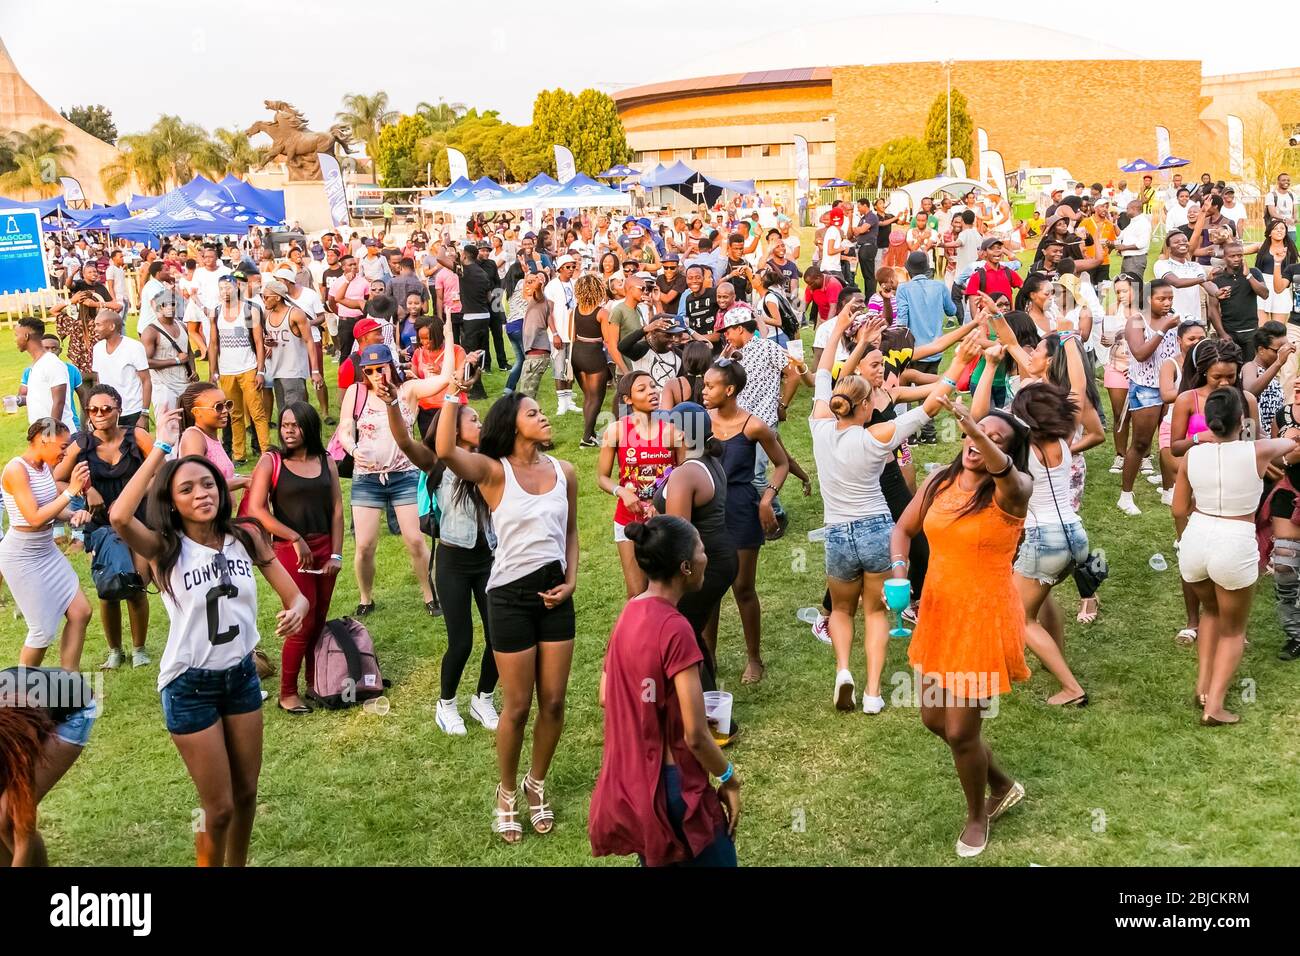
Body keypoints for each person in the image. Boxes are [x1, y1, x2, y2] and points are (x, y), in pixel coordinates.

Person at [108, 408, 308, 866]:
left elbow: (296, 598)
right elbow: (120, 516)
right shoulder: (166, 549)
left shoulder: (246, 537)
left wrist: (295, 611)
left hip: (240, 678)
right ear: (171, 501)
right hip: (189, 686)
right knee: (216, 810)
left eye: (208, 484)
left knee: (247, 793)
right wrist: (161, 447)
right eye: (187, 488)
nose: (202, 493)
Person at [434, 357, 578, 844]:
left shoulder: (566, 471)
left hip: (557, 595)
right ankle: (506, 793)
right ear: (511, 425)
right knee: (517, 706)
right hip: (510, 598)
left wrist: (573, 581)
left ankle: (536, 785)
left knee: (554, 702)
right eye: (533, 412)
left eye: (542, 411)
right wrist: (456, 393)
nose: (543, 417)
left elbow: (572, 534)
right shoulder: (493, 472)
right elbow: (444, 449)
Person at [890, 392, 1033, 858]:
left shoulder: (1014, 491)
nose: (978, 442)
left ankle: (978, 815)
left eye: (995, 438)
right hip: (939, 612)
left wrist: (972, 425)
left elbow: (1004, 470)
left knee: (960, 731)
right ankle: (1005, 783)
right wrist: (898, 573)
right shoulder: (938, 482)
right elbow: (903, 530)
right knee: (934, 718)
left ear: (1008, 452)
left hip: (982, 618)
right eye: (976, 433)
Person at [811, 306, 972, 713]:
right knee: (876, 611)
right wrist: (959, 366)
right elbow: (932, 405)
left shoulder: (818, 426)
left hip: (836, 534)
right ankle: (872, 692)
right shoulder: (877, 436)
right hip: (876, 530)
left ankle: (844, 669)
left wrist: (842, 332)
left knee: (842, 610)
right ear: (866, 407)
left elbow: (823, 372)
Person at [588, 515, 740, 867]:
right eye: (702, 549)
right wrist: (729, 779)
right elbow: (697, 736)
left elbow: (605, 695)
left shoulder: (630, 611)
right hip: (676, 788)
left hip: (636, 784)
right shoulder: (677, 629)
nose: (707, 556)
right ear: (686, 567)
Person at [1173, 388, 1296, 726]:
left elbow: (1179, 508)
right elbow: (1289, 444)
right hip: (1234, 541)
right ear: (1241, 420)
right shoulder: (1257, 451)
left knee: (1210, 612)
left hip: (1196, 539)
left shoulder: (1192, 457)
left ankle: (1202, 687)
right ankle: (1215, 706)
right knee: (1233, 630)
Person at [384, 393, 500, 736]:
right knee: (461, 641)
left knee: (498, 636)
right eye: (473, 420)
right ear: (454, 427)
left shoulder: (489, 461)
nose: (480, 424)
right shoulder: (437, 462)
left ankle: (484, 698)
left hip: (488, 559)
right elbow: (404, 440)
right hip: (453, 561)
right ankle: (446, 705)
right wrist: (392, 403)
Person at [242, 402, 343, 715]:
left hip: (326, 547)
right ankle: (287, 692)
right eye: (284, 424)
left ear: (308, 427)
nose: (287, 430)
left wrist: (337, 553)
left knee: (319, 620)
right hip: (290, 551)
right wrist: (294, 537)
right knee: (303, 621)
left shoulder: (326, 460)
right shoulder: (271, 461)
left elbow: (337, 508)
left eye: (295, 425)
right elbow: (257, 508)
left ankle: (317, 683)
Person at [337, 342, 452, 617]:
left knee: (414, 539)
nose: (376, 375)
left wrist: (448, 335)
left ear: (391, 366)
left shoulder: (407, 390)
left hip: (404, 474)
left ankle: (430, 594)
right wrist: (352, 449)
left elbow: (445, 380)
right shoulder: (356, 392)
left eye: (381, 368)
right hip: (367, 478)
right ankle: (366, 597)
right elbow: (344, 429)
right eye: (370, 370)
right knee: (364, 545)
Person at [55, 385, 156, 670]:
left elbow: (160, 472)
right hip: (100, 524)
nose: (99, 414)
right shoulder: (81, 444)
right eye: (93, 410)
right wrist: (86, 490)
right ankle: (114, 650)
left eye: (106, 409)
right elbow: (57, 479)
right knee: (108, 587)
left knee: (136, 584)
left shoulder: (137, 437)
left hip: (137, 519)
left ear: (118, 410)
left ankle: (139, 649)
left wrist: (130, 497)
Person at [701, 359, 788, 685]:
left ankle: (754, 658)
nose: (704, 391)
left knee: (742, 587)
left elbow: (780, 463)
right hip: (707, 509)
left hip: (740, 508)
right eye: (704, 385)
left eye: (710, 386)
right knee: (708, 587)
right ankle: (708, 657)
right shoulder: (701, 421)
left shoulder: (753, 426)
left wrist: (767, 498)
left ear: (730, 390)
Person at [0, 420, 92, 670]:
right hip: (22, 556)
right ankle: (20, 697)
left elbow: (50, 510)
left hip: (46, 551)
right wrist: (71, 492)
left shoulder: (43, 468)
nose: (65, 453)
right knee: (41, 632)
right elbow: (34, 517)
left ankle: (68, 682)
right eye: (62, 447)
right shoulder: (16, 470)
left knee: (80, 612)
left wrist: (72, 516)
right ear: (43, 439)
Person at [597, 371, 682, 598]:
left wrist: (662, 502)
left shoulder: (672, 432)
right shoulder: (616, 430)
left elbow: (684, 475)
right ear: (628, 399)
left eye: (653, 386)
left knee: (667, 591)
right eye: (642, 389)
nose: (652, 392)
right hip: (628, 519)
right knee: (637, 593)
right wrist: (622, 491)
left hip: (665, 520)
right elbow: (602, 477)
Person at [0, 667, 96, 865]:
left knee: (9, 818)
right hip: (36, 694)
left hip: (74, 711)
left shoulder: (19, 737)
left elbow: (23, 830)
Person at [1118, 279, 1181, 515]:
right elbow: (1141, 354)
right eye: (1161, 299)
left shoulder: (1174, 320)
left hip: (1170, 385)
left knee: (1167, 441)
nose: (1167, 303)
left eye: (1170, 298)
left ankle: (1168, 490)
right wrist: (1163, 328)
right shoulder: (1137, 321)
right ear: (1148, 299)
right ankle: (1125, 495)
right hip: (1145, 387)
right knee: (1141, 443)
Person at [207, 275, 269, 464]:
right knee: (234, 414)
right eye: (222, 288)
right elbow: (214, 344)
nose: (225, 292)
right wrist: (213, 371)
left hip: (248, 367)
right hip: (226, 371)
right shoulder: (215, 312)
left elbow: (259, 342)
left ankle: (267, 452)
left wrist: (260, 370)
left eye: (228, 287)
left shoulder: (249, 309)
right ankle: (239, 454)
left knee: (257, 412)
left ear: (237, 288)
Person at [259, 279, 321, 419]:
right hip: (276, 371)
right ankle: (287, 441)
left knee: (296, 414)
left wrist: (315, 371)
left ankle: (303, 439)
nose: (264, 300)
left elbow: (309, 341)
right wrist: (267, 342)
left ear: (278, 297)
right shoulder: (267, 314)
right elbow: (269, 339)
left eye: (266, 297)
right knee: (283, 413)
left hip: (293, 371)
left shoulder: (296, 314)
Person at [570, 274, 613, 447]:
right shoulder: (602, 312)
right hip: (594, 355)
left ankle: (591, 433)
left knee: (588, 396)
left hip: (577, 354)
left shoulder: (574, 311)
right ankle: (586, 437)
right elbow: (608, 340)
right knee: (596, 398)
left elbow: (571, 336)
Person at [90, 310, 150, 431]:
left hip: (132, 411)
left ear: (112, 326)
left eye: (98, 325)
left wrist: (144, 414)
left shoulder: (134, 347)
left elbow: (146, 380)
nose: (95, 329)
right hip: (108, 411)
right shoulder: (97, 348)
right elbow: (98, 381)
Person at [141, 288, 197, 418]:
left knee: (188, 427)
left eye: (172, 303)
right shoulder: (151, 331)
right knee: (168, 428)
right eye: (164, 304)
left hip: (184, 385)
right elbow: (145, 362)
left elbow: (189, 353)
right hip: (164, 388)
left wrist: (193, 370)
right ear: (158, 307)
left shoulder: (182, 326)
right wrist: (176, 361)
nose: (169, 307)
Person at [409, 316, 466, 440]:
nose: (424, 342)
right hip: (425, 409)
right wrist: (411, 377)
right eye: (421, 338)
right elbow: (414, 380)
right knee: (430, 446)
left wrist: (441, 371)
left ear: (439, 335)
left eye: (428, 338)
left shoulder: (456, 351)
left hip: (449, 406)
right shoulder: (418, 353)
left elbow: (462, 381)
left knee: (451, 444)